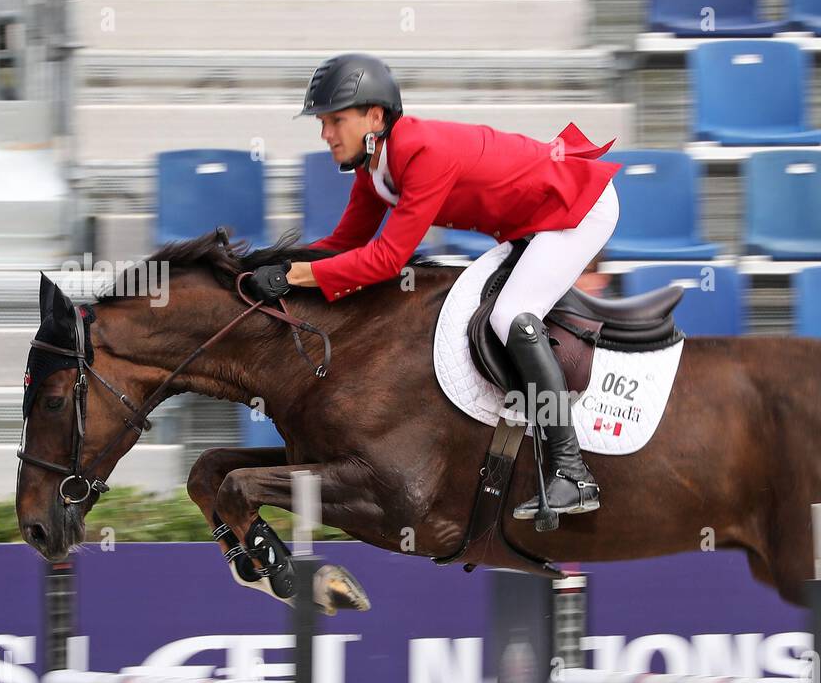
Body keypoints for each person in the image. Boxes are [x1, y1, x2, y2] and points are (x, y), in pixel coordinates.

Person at [245, 53, 620, 521]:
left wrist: (297, 277)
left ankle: (572, 472)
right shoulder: (375, 167)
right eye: (322, 122)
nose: (325, 134)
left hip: (577, 208)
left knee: (509, 316)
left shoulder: (421, 151)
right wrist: (274, 267)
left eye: (334, 120)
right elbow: (345, 243)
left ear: (374, 117)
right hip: (532, 223)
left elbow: (388, 259)